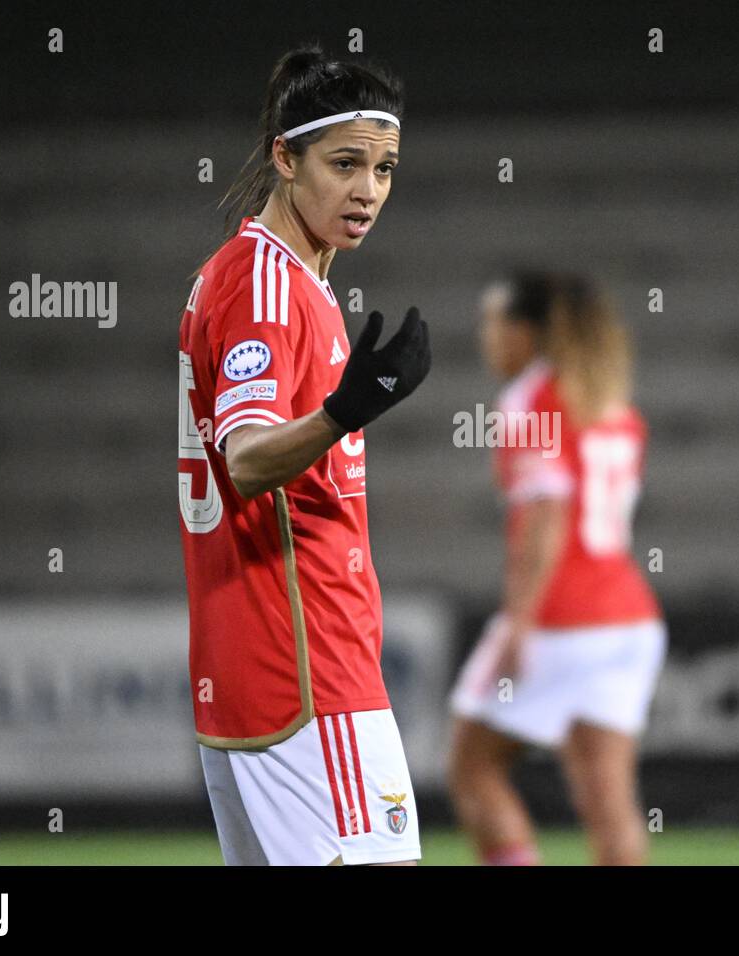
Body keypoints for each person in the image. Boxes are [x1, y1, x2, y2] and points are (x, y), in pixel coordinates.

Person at [176, 43, 431, 865]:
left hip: (257, 672)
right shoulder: (264, 283)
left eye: (385, 169)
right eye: (345, 163)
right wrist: (344, 412)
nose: (368, 191)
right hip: (309, 675)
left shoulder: (283, 279)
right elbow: (246, 462)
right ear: (285, 157)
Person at [448, 271, 666, 865]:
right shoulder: (611, 400)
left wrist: (519, 621)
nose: (486, 336)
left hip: (562, 617)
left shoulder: (532, 397)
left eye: (494, 322)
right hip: (629, 621)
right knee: (610, 802)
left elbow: (548, 514)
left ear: (527, 331)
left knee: (473, 769)